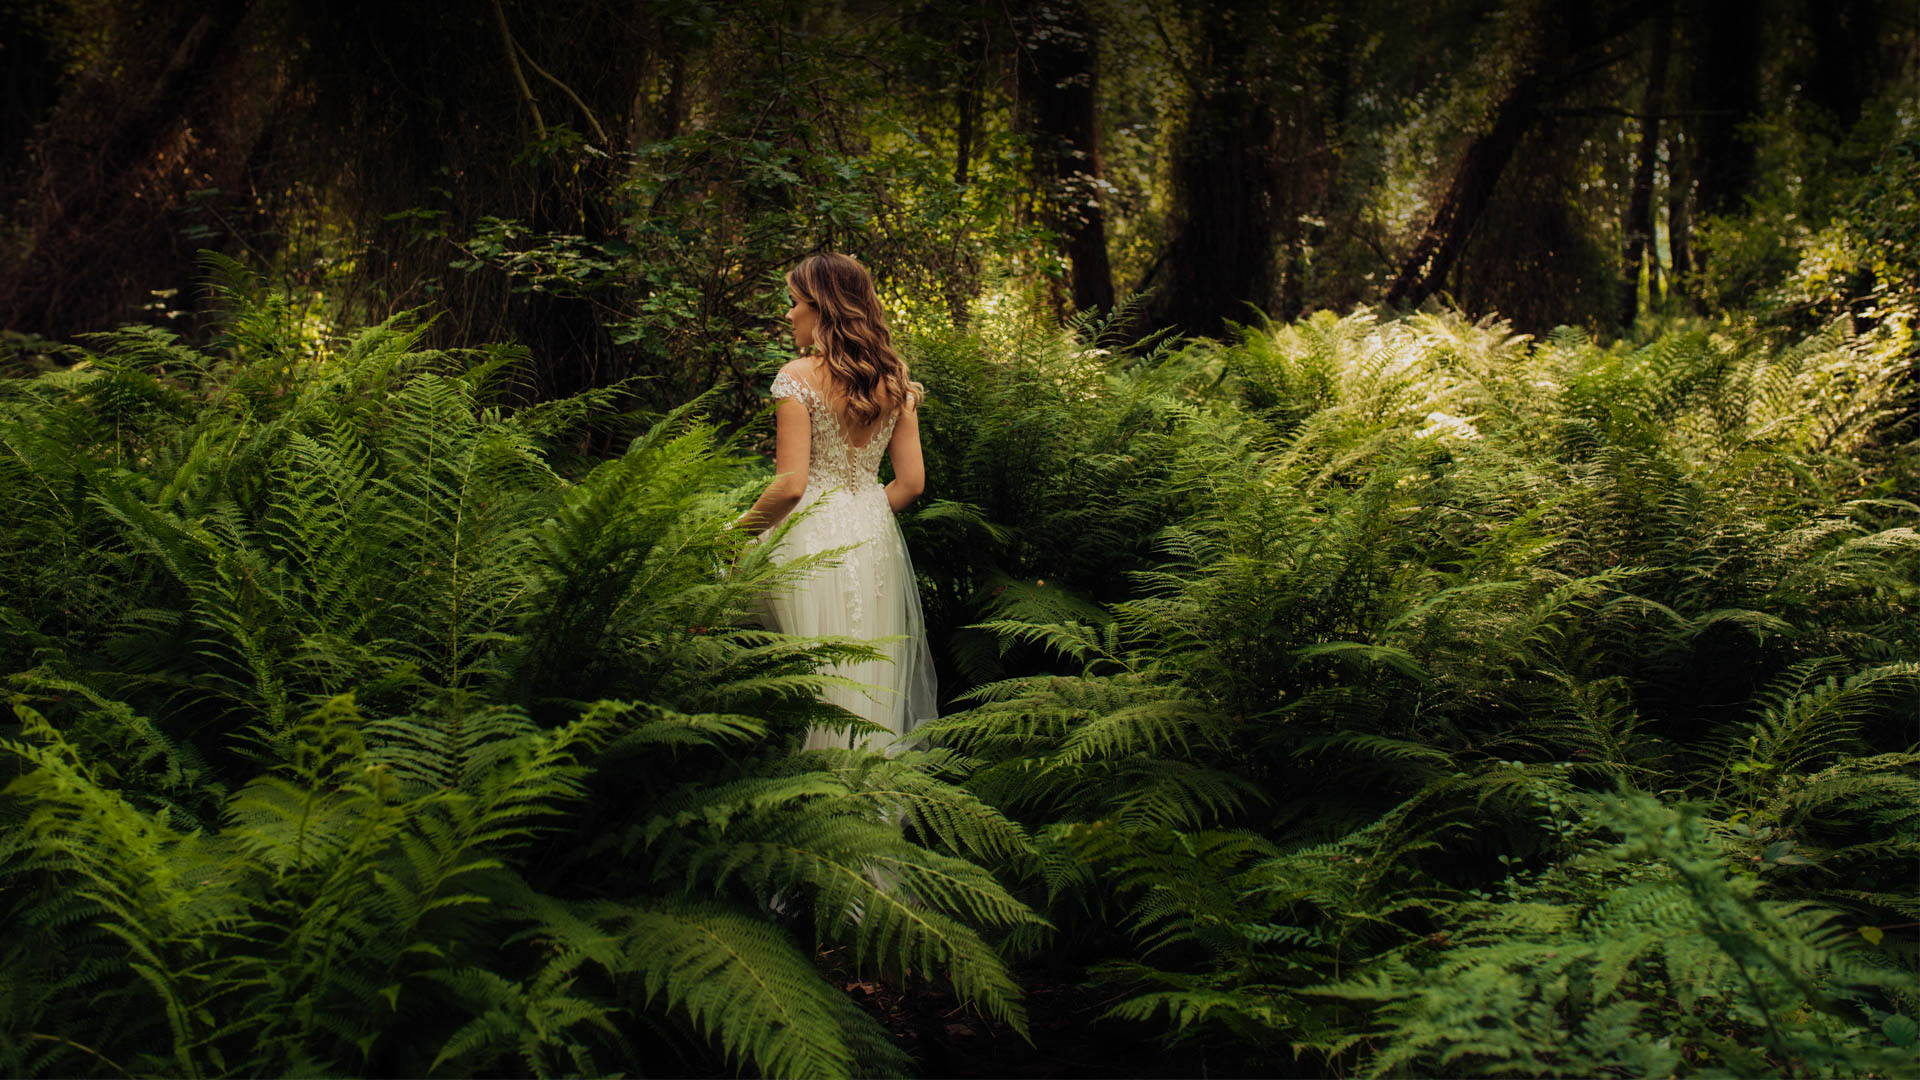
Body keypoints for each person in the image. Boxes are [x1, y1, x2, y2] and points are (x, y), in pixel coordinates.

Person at [734, 253, 937, 752]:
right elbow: (910, 484)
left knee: (815, 676)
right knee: (868, 670)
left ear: (822, 308)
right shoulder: (893, 380)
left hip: (810, 539)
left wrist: (729, 536)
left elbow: (790, 487)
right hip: (873, 537)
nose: (788, 315)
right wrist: (861, 512)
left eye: (795, 303)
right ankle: (869, 806)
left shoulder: (797, 377)